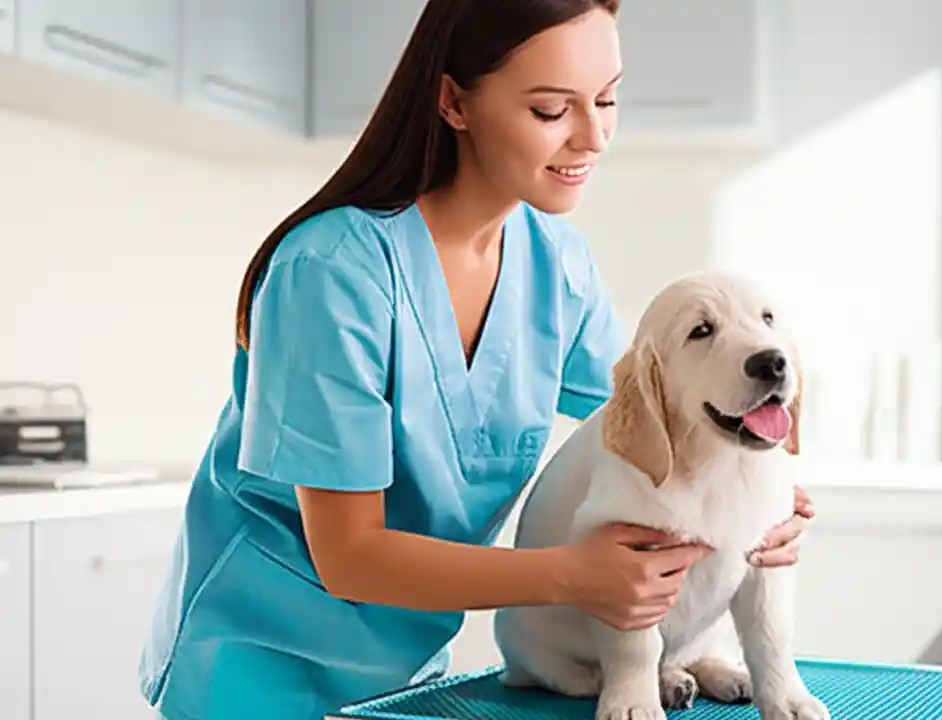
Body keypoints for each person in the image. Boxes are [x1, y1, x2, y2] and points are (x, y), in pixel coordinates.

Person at [138, 1, 815, 718]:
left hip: (407, 672)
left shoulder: (558, 268)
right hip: (257, 672)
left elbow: (650, 421)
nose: (593, 136)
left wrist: (762, 494)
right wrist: (571, 576)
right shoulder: (331, 271)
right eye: (553, 109)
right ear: (455, 101)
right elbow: (348, 556)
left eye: (608, 99)